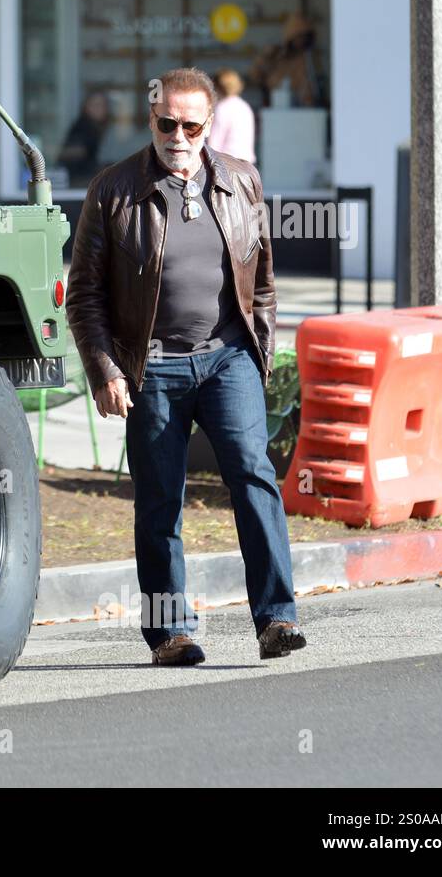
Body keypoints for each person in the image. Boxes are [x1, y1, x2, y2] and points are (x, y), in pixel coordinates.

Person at [65, 67, 306, 666]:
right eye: (166, 122)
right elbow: (84, 293)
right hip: (152, 368)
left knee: (254, 476)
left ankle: (277, 620)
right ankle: (169, 634)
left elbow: (265, 282)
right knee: (158, 500)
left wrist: (260, 350)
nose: (178, 134)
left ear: (209, 124)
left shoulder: (242, 182)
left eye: (190, 124)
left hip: (227, 358)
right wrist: (105, 370)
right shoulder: (113, 191)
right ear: (152, 120)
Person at [57, 91, 110, 182]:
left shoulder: (98, 127)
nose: (99, 109)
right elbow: (75, 151)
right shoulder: (83, 127)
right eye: (95, 105)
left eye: (102, 105)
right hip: (78, 179)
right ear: (86, 107)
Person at [207, 68, 256, 163]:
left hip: (228, 163)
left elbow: (214, 143)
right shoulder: (244, 106)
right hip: (246, 162)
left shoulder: (222, 108)